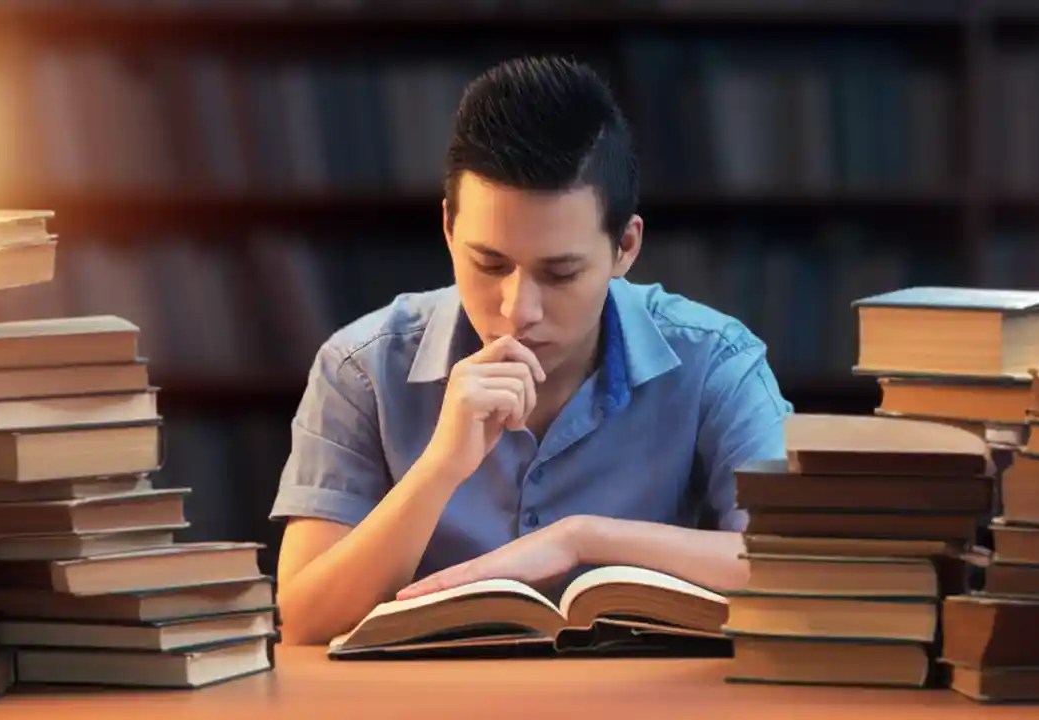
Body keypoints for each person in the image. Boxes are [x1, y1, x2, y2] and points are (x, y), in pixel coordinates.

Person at [269, 56, 792, 645]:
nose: (519, 310)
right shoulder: (361, 368)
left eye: (561, 273)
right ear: (447, 228)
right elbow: (304, 621)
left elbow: (795, 570)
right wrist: (441, 467)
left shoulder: (713, 360)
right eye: (490, 264)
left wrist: (584, 539)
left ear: (625, 247)